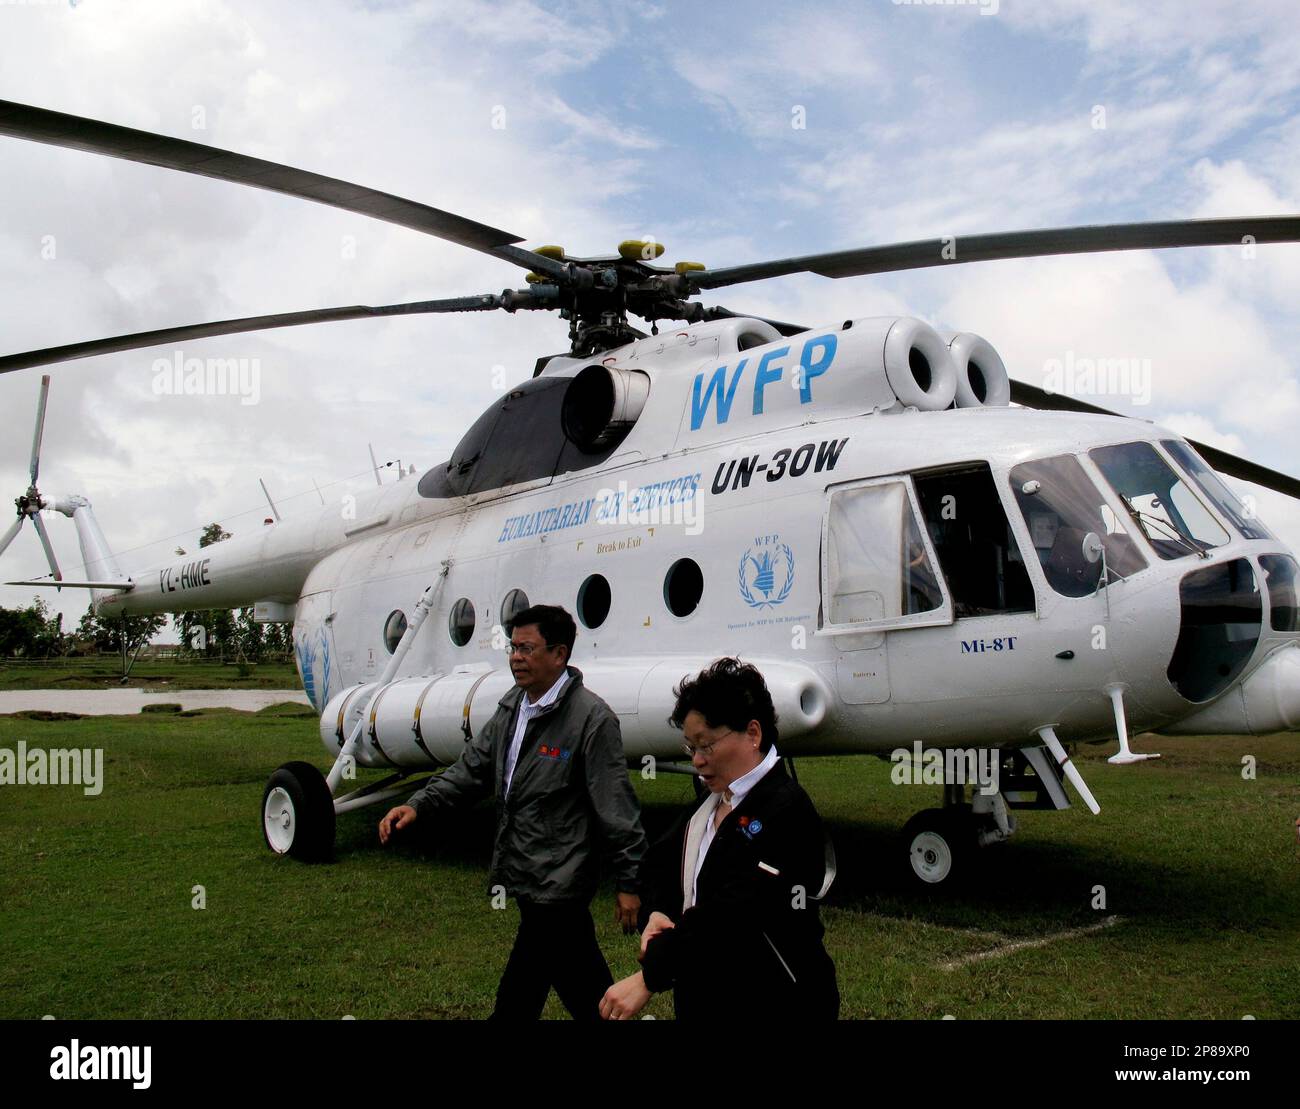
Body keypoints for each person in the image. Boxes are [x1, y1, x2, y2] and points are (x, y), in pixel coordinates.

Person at [379, 603, 646, 1020]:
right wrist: (418, 805)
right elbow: (472, 770)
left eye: (526, 648)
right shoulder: (513, 708)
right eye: (512, 647)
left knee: (529, 992)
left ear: (559, 655)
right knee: (565, 986)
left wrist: (630, 881)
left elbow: (616, 806)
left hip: (559, 883)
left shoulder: (591, 720)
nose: (515, 657)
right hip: (525, 875)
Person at [600, 657, 838, 1020]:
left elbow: (735, 915)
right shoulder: (711, 803)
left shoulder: (786, 809)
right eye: (690, 747)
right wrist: (658, 913)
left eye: (706, 746)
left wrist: (650, 977)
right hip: (707, 999)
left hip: (776, 1002)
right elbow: (661, 865)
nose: (696, 760)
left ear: (753, 733)